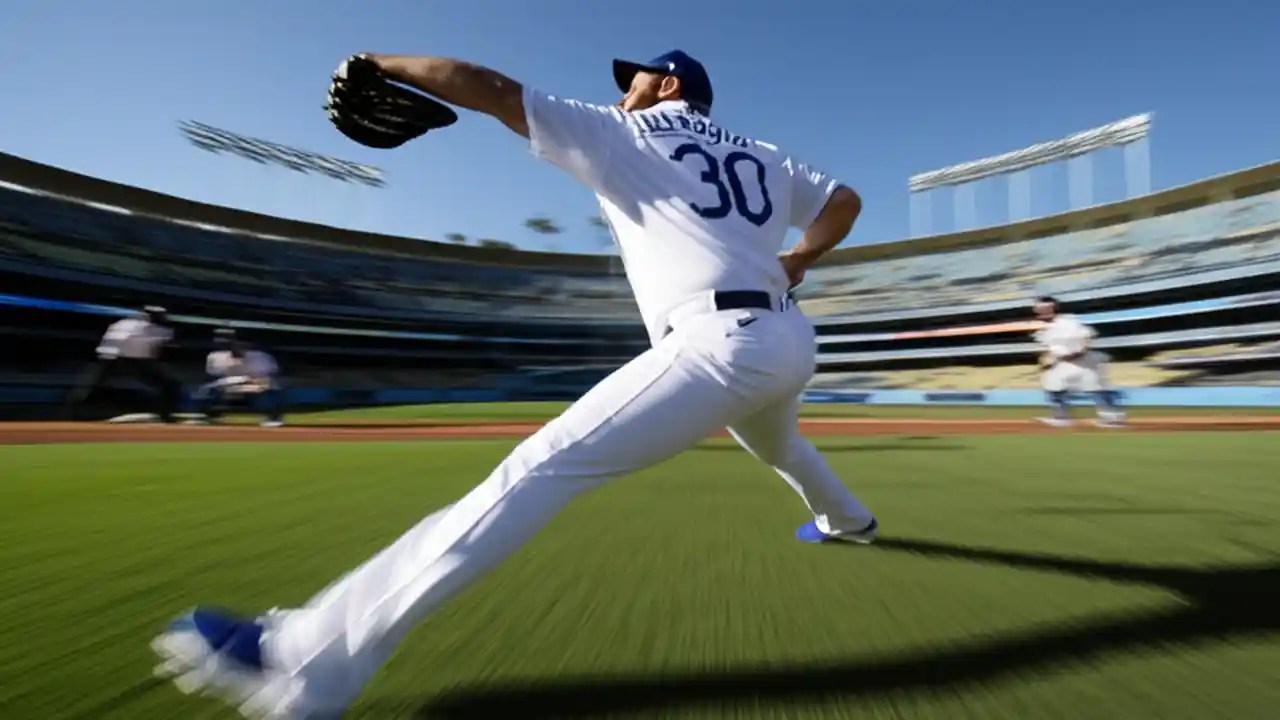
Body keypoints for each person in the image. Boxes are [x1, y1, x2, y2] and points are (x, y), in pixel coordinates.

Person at [152, 49, 877, 718]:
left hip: (720, 345)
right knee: (779, 447)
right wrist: (799, 256)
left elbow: (493, 90)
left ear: (670, 84)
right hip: (787, 335)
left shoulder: (629, 132)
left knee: (538, 467)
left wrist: (378, 63)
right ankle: (848, 520)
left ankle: (305, 659)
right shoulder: (760, 153)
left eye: (635, 78)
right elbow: (844, 199)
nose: (623, 90)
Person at [64, 305, 181, 422]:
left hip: (109, 358)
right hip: (130, 360)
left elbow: (110, 341)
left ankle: (69, 415)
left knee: (87, 387)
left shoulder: (121, 323)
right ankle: (166, 416)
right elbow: (154, 351)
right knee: (170, 386)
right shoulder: (159, 329)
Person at [1032, 296, 1126, 428]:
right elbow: (1047, 348)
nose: (1038, 311)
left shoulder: (1069, 321)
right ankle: (1061, 417)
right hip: (1063, 361)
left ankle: (1112, 419)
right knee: (1053, 383)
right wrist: (1045, 362)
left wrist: (1079, 353)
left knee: (1095, 387)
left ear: (1053, 308)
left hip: (1085, 359)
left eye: (1042, 308)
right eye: (1037, 308)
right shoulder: (1043, 328)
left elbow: (1086, 338)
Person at [192, 328, 285, 427]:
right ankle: (207, 416)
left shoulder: (262, 357)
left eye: (242, 345)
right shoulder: (215, 357)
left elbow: (271, 376)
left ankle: (273, 417)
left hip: (256, 386)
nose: (239, 348)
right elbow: (212, 377)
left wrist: (257, 382)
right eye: (234, 345)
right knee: (204, 390)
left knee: (268, 391)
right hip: (228, 386)